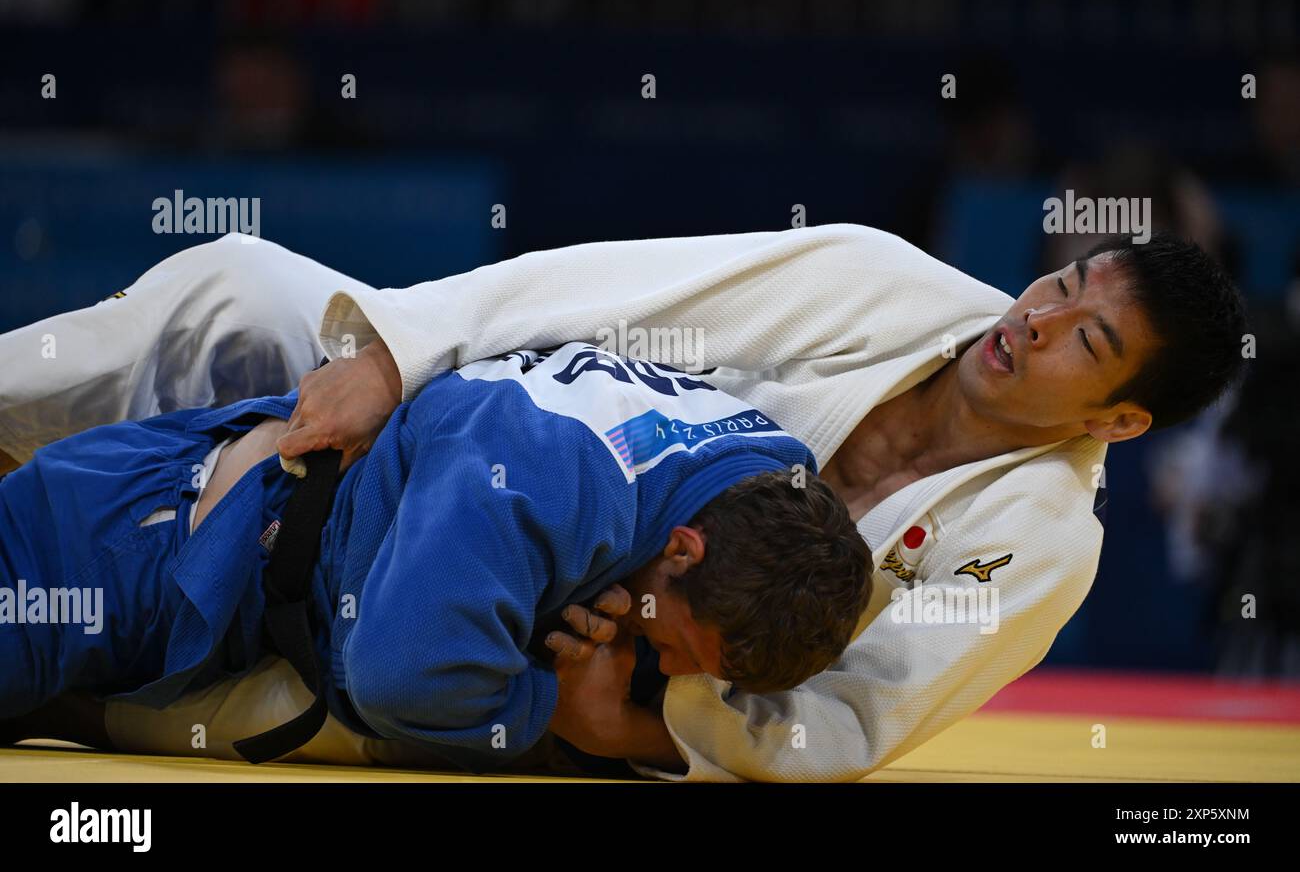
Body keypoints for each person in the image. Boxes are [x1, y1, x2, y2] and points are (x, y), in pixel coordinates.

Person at [0, 221, 1249, 780]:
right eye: (1064, 282)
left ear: (1116, 420)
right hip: (506, 467)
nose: (1035, 321)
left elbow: (851, 719)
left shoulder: (1036, 546)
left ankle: (88, 680)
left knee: (326, 689)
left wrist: (630, 728)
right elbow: (599, 291)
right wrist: (392, 357)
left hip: (597, 664)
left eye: (1087, 341)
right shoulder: (879, 281)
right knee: (241, 284)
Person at [0, 340, 873, 772]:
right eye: (677, 645)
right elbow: (398, 679)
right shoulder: (549, 479)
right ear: (683, 549)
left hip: (203, 545)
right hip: (134, 544)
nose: (670, 669)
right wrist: (556, 708)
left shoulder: (770, 464)